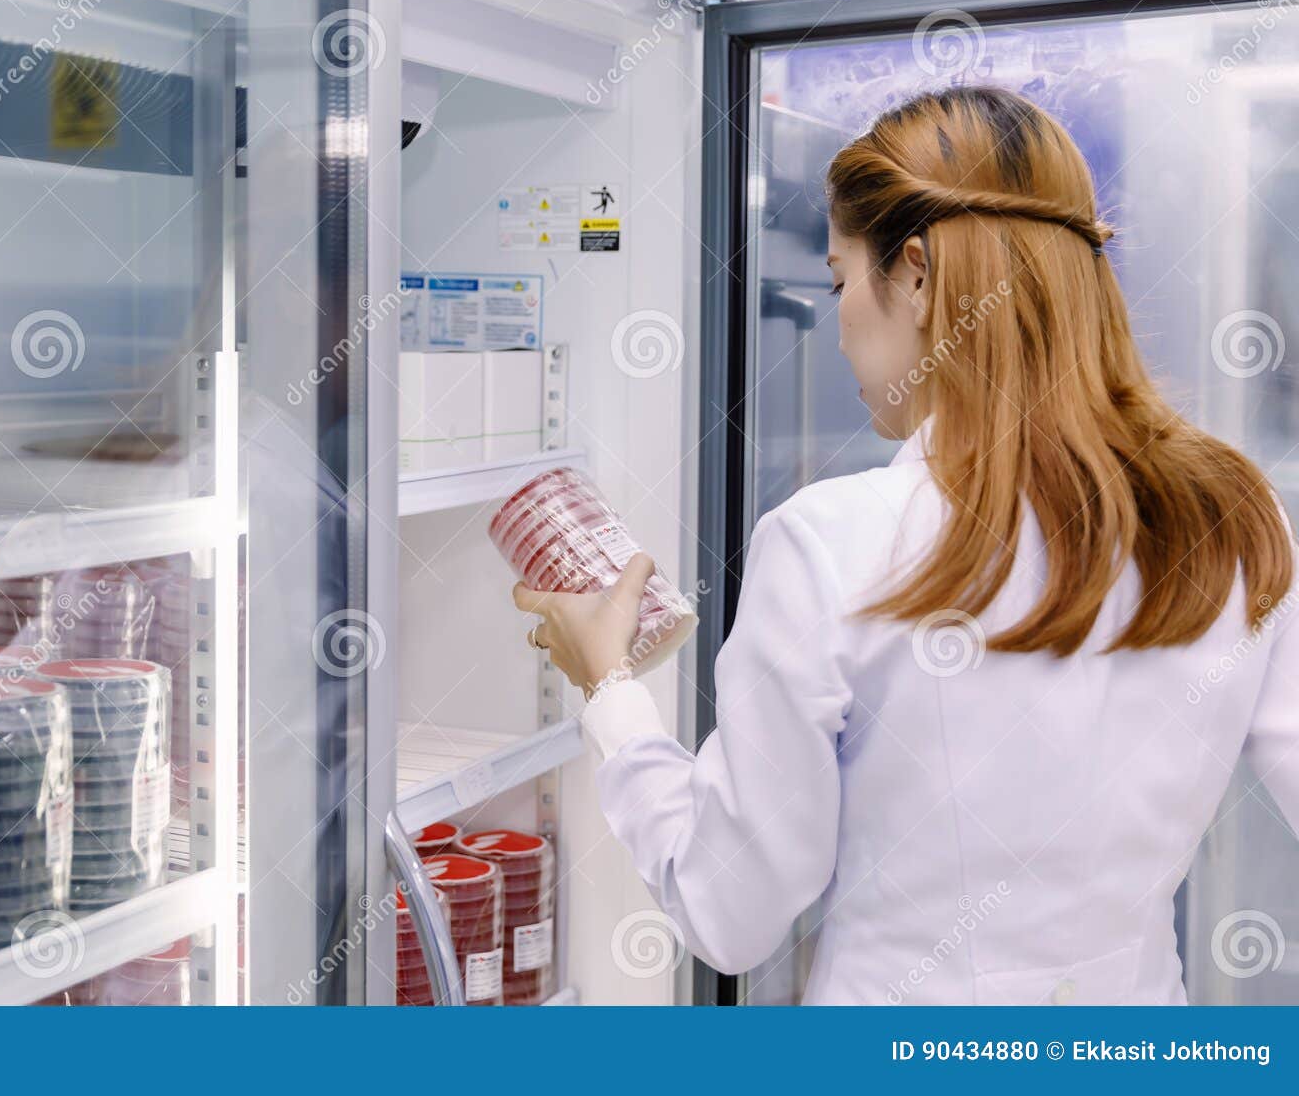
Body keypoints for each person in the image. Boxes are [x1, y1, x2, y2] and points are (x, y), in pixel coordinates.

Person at [513, 85, 1299, 1004]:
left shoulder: (827, 543)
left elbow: (730, 913)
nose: (837, 323)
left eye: (841, 280)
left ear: (918, 277)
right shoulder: (1239, 524)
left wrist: (611, 691)